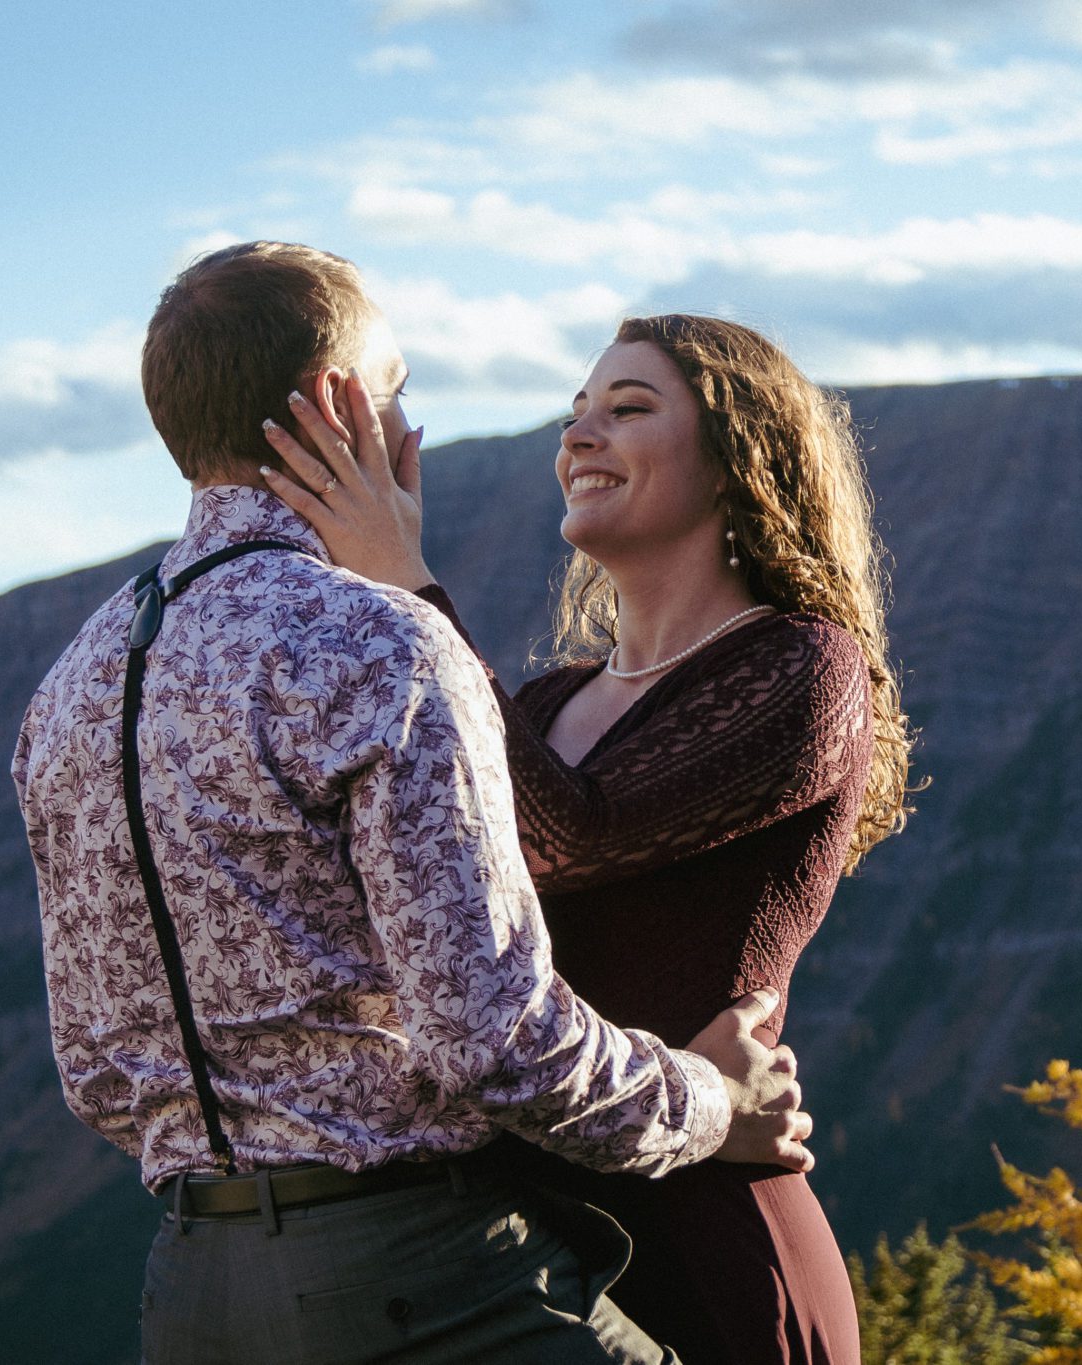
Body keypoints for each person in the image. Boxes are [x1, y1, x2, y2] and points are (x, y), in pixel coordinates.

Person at [11, 242, 818, 1365]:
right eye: (395, 391)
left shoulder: (75, 685)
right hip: (428, 1285)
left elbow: (96, 1071)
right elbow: (495, 1044)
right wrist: (708, 1101)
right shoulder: (379, 644)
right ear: (342, 405)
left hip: (194, 1295)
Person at [261, 312, 916, 1365]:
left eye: (627, 408)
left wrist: (402, 584)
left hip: (704, 1239)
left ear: (736, 456)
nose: (578, 435)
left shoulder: (803, 668)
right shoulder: (550, 697)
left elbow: (565, 837)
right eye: (574, 414)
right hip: (521, 1250)